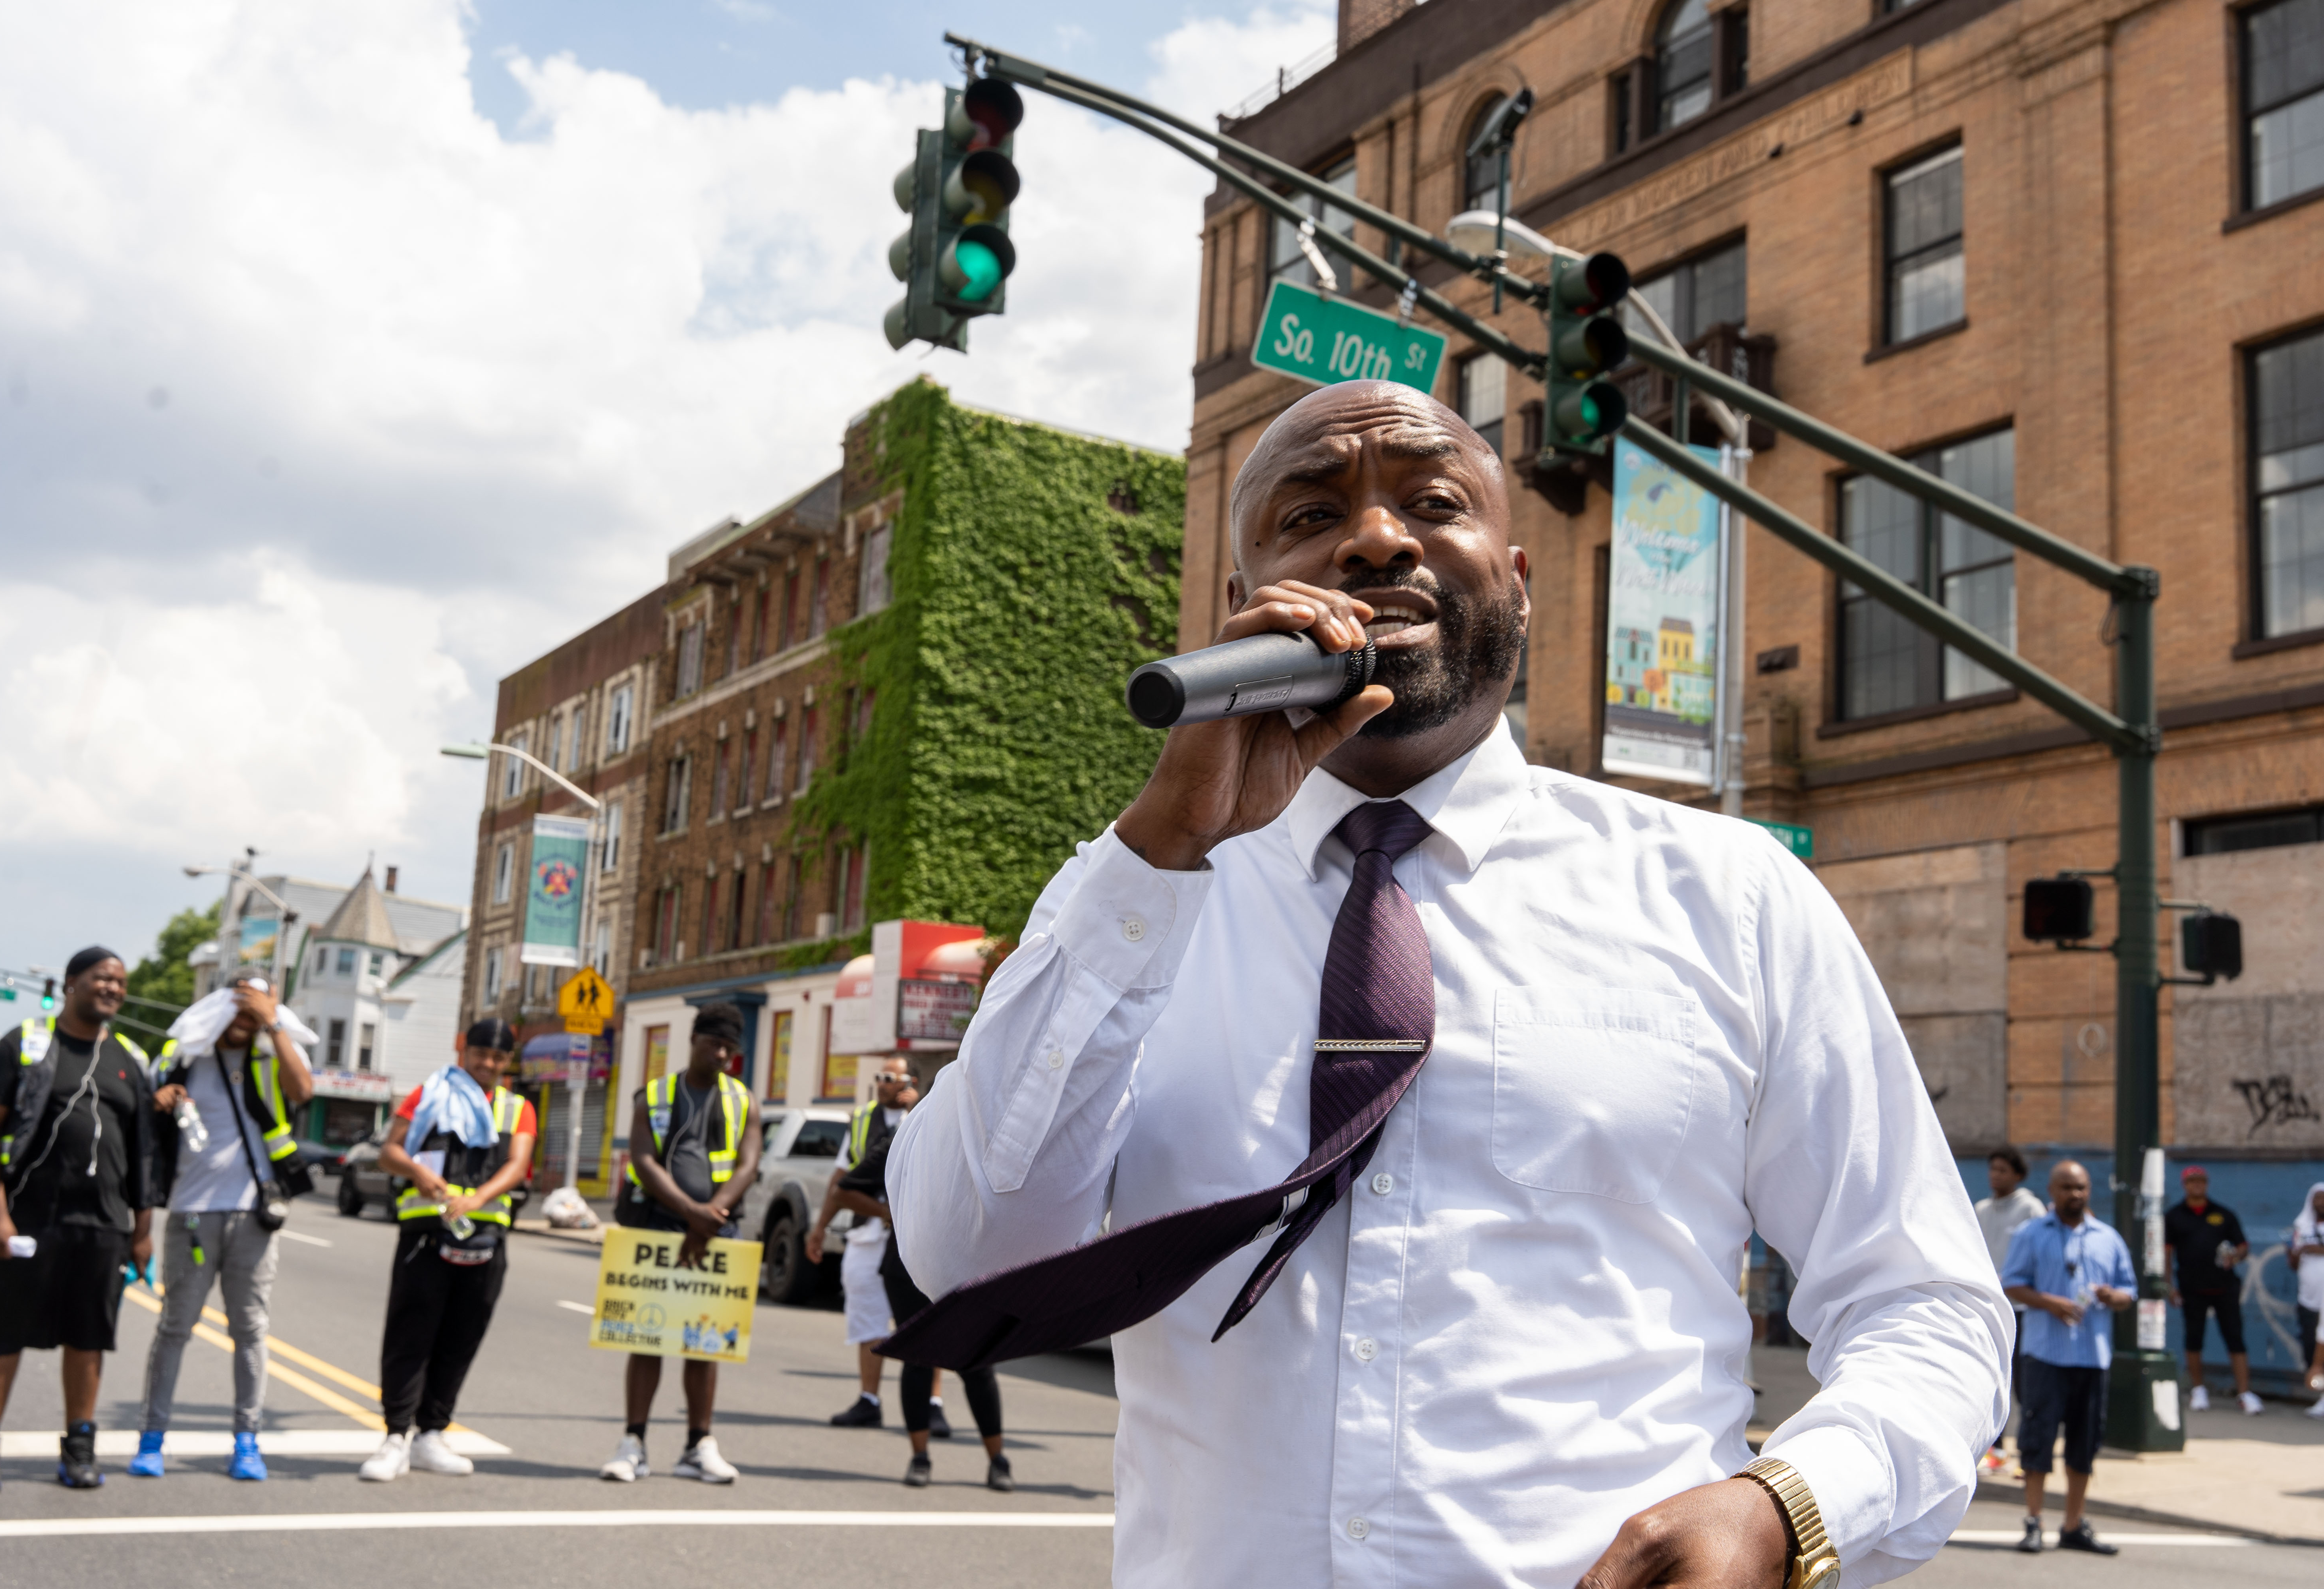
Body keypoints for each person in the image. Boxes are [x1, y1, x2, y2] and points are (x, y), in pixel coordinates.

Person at [886, 381, 2009, 1587]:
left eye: (1431, 501)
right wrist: (1158, 850)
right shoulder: (1131, 904)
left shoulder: (1729, 897)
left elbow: (1923, 1304)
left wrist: (1784, 1504)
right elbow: (968, 1256)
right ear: (1235, 606)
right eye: (1310, 513)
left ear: (1515, 577)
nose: (1375, 538)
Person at [0, 948, 157, 1493]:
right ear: (72, 983)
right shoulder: (27, 1043)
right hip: (25, 1221)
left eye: (120, 982)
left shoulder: (130, 1059)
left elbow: (143, 1153)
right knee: (2, 1334)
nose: (113, 989)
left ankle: (79, 1447)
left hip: (103, 1226)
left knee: (88, 1337)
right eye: (102, 978)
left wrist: (142, 1230)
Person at [131, 976, 316, 1481]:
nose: (243, 1022)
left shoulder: (271, 1056)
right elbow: (144, 1114)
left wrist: (273, 1021)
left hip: (253, 1215)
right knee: (175, 1327)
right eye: (237, 1011)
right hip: (191, 1213)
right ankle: (152, 1439)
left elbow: (304, 1091)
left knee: (250, 1330)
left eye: (252, 1015)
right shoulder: (185, 1055)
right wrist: (161, 1098)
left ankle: (247, 1442)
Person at [358, 1019, 537, 1481]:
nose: (488, 1065)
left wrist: (477, 1199)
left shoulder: (517, 1109)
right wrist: (421, 1174)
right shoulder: (429, 1095)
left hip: (485, 1235)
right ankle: (395, 1436)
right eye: (480, 1054)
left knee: (461, 1338)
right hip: (425, 1232)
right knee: (410, 1335)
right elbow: (389, 1152)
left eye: (498, 1059)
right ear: (464, 1051)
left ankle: (431, 1433)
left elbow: (518, 1165)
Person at [599, 1005, 762, 1485]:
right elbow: (645, 1160)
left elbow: (748, 1163)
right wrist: (690, 1212)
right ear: (693, 1039)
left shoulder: (743, 1099)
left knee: (704, 1344)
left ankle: (698, 1446)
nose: (721, 1054)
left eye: (729, 1049)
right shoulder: (654, 1095)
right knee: (647, 1338)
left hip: (716, 1232)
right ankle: (633, 1443)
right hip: (658, 1226)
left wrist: (710, 1216)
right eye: (713, 1044)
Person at [834, 1131, 1010, 1490]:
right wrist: (890, 1213)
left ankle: (998, 1460)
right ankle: (920, 1457)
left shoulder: (985, 1139)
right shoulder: (908, 1138)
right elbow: (847, 1188)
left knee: (977, 1364)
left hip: (967, 1266)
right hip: (908, 1269)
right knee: (918, 1360)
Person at [2000, 1160, 2137, 1555]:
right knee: (2038, 1439)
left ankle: (2074, 1524)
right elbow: (2011, 1283)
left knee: (2085, 1443)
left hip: (2092, 1356)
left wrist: (2116, 1297)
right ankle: (2034, 1521)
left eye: (2080, 1187)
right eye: (2065, 1187)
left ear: (2089, 1190)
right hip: (2045, 1354)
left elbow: (2130, 1288)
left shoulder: (2108, 1238)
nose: (2074, 1195)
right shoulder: (2031, 1234)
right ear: (2052, 1190)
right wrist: (2050, 1303)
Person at [807, 1061, 950, 1433]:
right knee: (867, 1318)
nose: (882, 1085)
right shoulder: (862, 1120)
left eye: (891, 1079)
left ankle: (932, 1404)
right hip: (868, 1234)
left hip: (916, 1237)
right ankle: (869, 1400)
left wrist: (915, 1109)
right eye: (880, 1079)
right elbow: (841, 1179)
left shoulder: (928, 1113)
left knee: (925, 1321)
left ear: (910, 1084)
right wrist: (820, 1227)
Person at [2163, 1166, 2260, 1415]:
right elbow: (2167, 1253)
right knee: (2194, 1339)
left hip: (2224, 1288)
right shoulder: (2174, 1216)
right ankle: (2198, 1390)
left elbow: (2243, 1247)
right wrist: (2170, 1286)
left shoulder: (2224, 1214)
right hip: (2191, 1288)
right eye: (2192, 1181)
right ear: (2185, 1185)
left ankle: (2244, 1393)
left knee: (2235, 1338)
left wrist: (2235, 1256)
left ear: (2207, 1184)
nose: (2197, 1186)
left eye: (2201, 1181)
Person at [1975, 1145, 2045, 1469]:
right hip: (1989, 1310)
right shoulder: (1981, 1210)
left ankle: (2028, 1452)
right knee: (1991, 1379)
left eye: (2003, 1170)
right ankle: (1996, 1450)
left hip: (2022, 1310)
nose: (1996, 1176)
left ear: (2018, 1175)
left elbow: (2044, 1255)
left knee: (2023, 1384)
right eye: (1993, 1169)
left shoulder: (2030, 1208)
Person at [2292, 1182, 2324, 1415]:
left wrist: (2317, 1250)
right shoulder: (2301, 1226)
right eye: (2317, 1198)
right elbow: (2294, 1263)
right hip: (2308, 1297)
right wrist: (2295, 1253)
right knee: (2310, 1345)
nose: (2321, 1203)